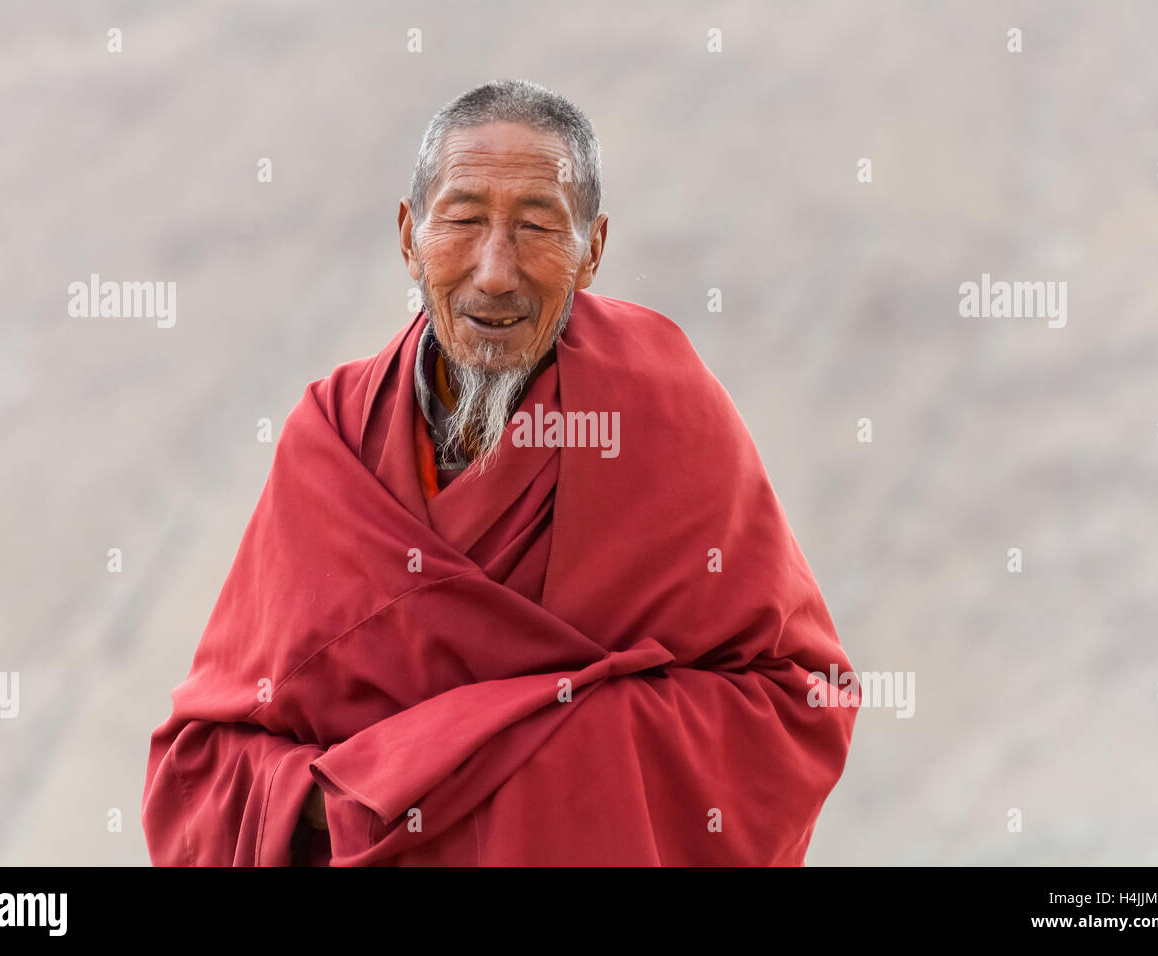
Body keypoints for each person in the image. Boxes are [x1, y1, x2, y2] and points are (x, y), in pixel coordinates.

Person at [141, 78, 858, 866]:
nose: (494, 273)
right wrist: (333, 805)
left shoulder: (662, 414)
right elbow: (201, 763)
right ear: (409, 235)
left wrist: (446, 768)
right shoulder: (335, 439)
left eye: (537, 227)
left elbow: (800, 703)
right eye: (464, 219)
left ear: (594, 250)